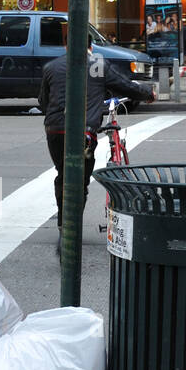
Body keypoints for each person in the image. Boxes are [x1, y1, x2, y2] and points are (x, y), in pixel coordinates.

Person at [40, 46, 155, 248]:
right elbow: (126, 86)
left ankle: (62, 226)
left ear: (67, 46)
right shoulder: (99, 65)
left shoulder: (51, 66)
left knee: (63, 174)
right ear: (91, 48)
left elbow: (43, 102)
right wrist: (148, 93)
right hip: (83, 132)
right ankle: (70, 229)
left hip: (55, 130)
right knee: (80, 181)